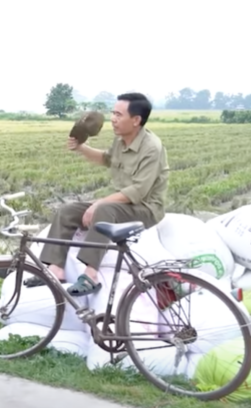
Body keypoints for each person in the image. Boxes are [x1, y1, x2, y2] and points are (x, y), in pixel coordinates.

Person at [29, 92, 169, 297]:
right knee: (67, 211)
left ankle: (91, 275)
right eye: (113, 113)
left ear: (136, 120)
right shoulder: (120, 141)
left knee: (104, 209)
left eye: (119, 115)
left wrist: (98, 204)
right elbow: (107, 159)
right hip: (123, 204)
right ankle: (55, 269)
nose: (113, 119)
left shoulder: (151, 148)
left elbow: (138, 191)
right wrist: (81, 147)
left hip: (146, 208)